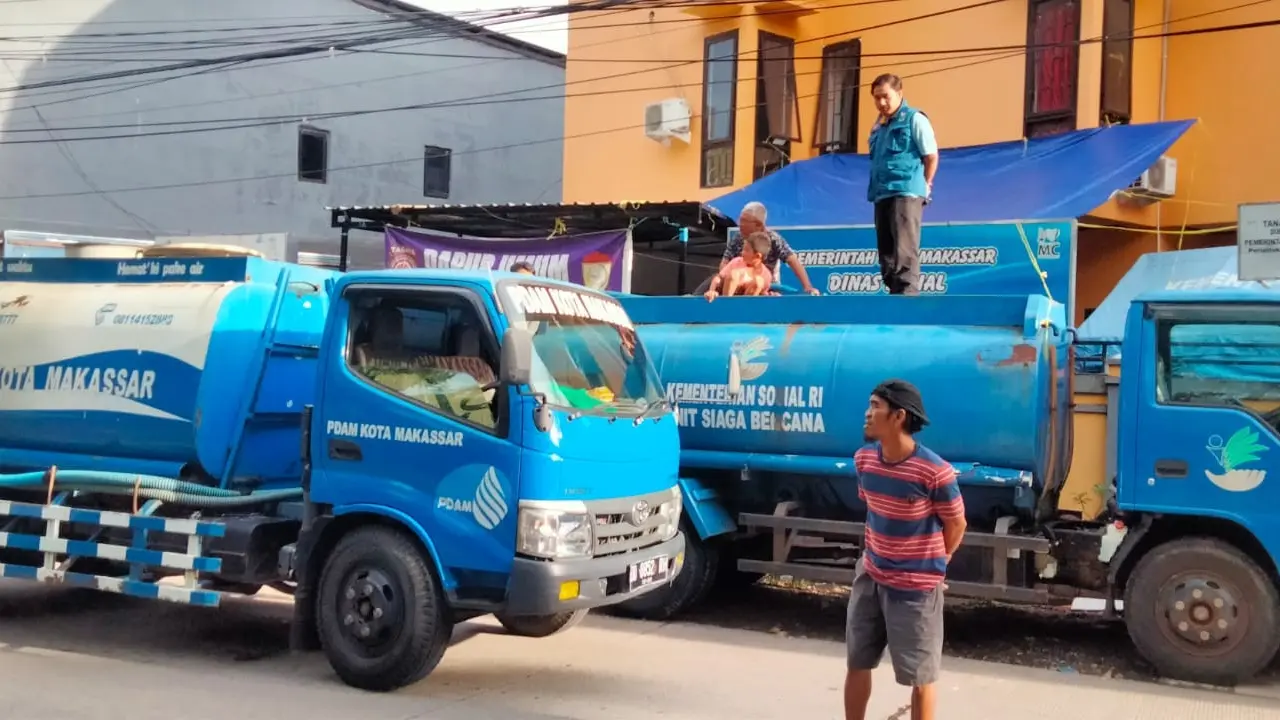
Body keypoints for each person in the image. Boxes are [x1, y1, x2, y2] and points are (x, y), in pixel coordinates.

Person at [845, 379, 966, 720]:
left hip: (915, 590)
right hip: (871, 576)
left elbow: (956, 524)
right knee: (857, 662)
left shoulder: (935, 472)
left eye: (875, 407)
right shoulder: (864, 461)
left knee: (921, 678)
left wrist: (936, 565)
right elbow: (873, 509)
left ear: (898, 417)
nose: (867, 415)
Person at [867, 74, 939, 297]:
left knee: (904, 250)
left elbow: (931, 156)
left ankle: (908, 297)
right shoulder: (878, 126)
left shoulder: (914, 119)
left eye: (885, 97)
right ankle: (894, 295)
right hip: (881, 193)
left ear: (899, 94)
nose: (881, 103)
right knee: (886, 252)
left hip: (906, 191)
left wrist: (925, 184)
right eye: (877, 98)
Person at [696, 202, 820, 296]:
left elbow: (793, 261)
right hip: (737, 280)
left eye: (744, 221)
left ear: (758, 225)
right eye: (740, 219)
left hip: (766, 284)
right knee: (714, 280)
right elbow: (725, 262)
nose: (740, 224)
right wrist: (726, 279)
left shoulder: (774, 239)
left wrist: (807, 286)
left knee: (762, 285)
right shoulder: (738, 237)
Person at [704, 231, 773, 302]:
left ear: (758, 256)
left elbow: (764, 294)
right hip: (726, 296)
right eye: (743, 249)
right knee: (734, 274)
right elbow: (718, 278)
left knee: (758, 282)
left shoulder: (766, 275)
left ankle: (743, 308)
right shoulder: (737, 262)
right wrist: (712, 291)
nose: (742, 253)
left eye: (746, 250)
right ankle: (727, 304)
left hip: (746, 305)